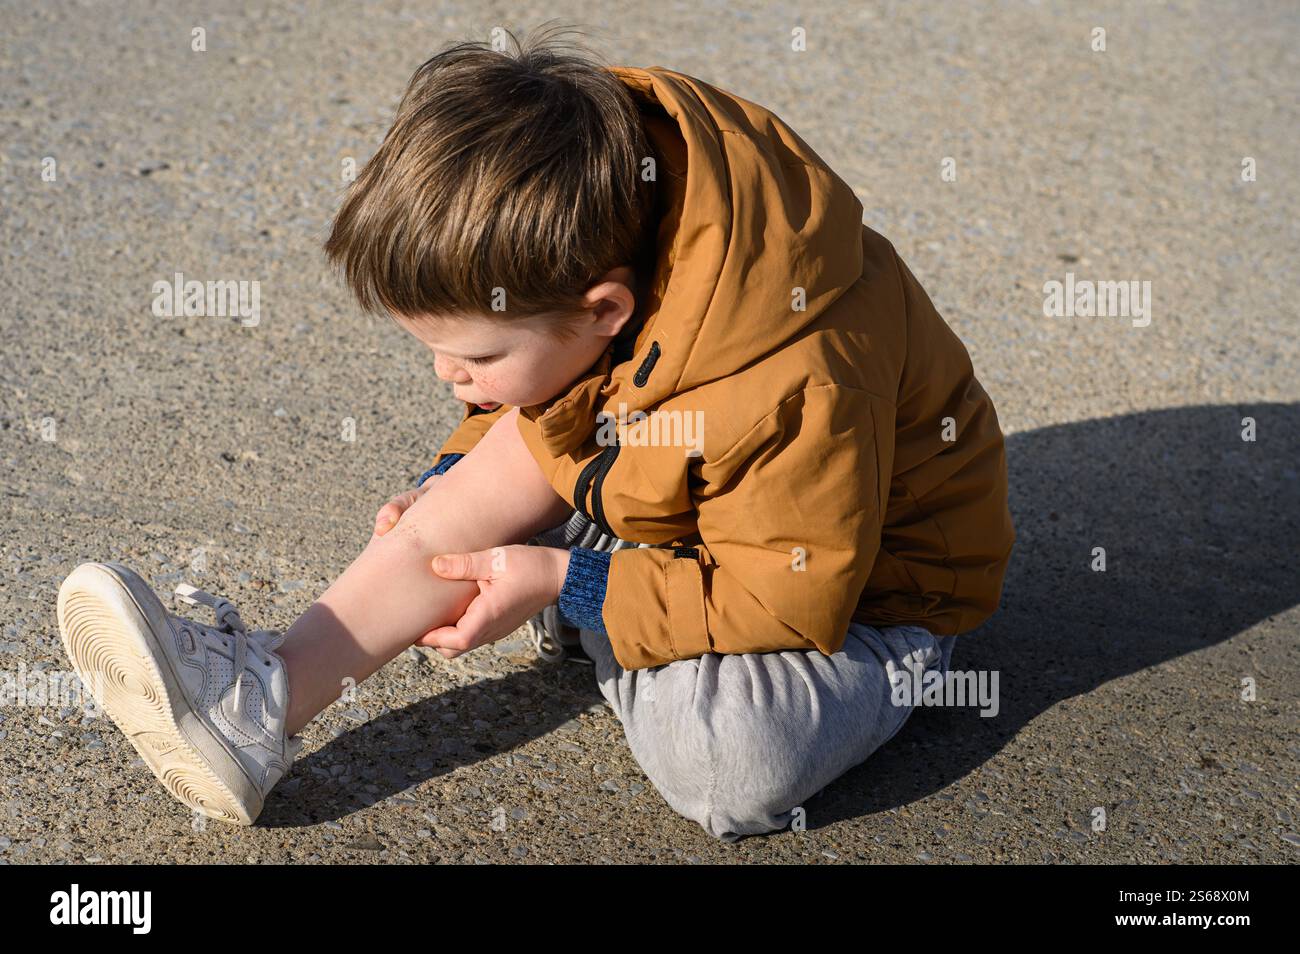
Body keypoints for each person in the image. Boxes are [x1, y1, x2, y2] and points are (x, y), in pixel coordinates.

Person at [56, 26, 1014, 842]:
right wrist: (455, 483)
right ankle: (255, 700)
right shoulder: (613, 225)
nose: (447, 376)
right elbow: (547, 398)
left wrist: (573, 582)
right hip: (688, 496)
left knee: (729, 766)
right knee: (475, 487)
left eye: (471, 356)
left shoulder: (798, 383)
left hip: (850, 602)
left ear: (605, 307)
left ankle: (608, 594)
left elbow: (786, 600)